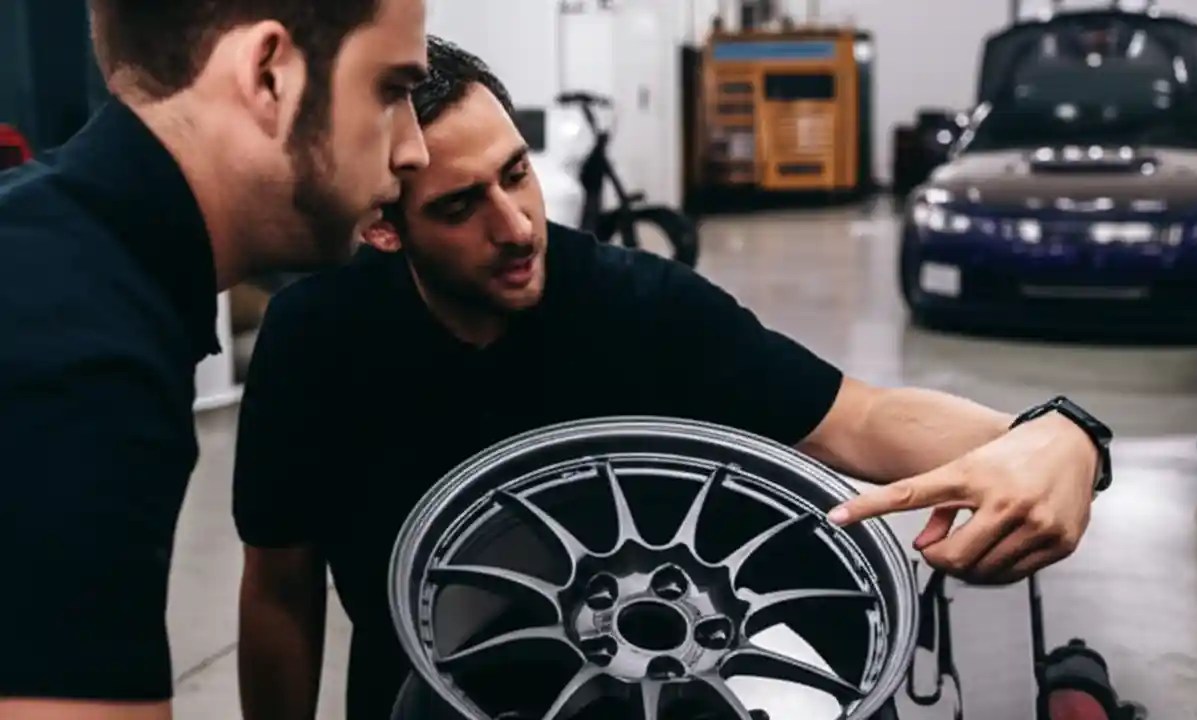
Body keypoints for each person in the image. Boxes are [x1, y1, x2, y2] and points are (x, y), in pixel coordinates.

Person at [232, 37, 1109, 720]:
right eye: (461, 207)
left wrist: (1057, 436)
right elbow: (280, 590)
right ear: (385, 227)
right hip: (416, 701)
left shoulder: (637, 306)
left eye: (518, 174)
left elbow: (861, 419)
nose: (517, 226)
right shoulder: (316, 338)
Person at [0, 1, 430, 719]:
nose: (414, 147)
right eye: (390, 90)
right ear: (268, 75)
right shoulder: (81, 354)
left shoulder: (61, 254)